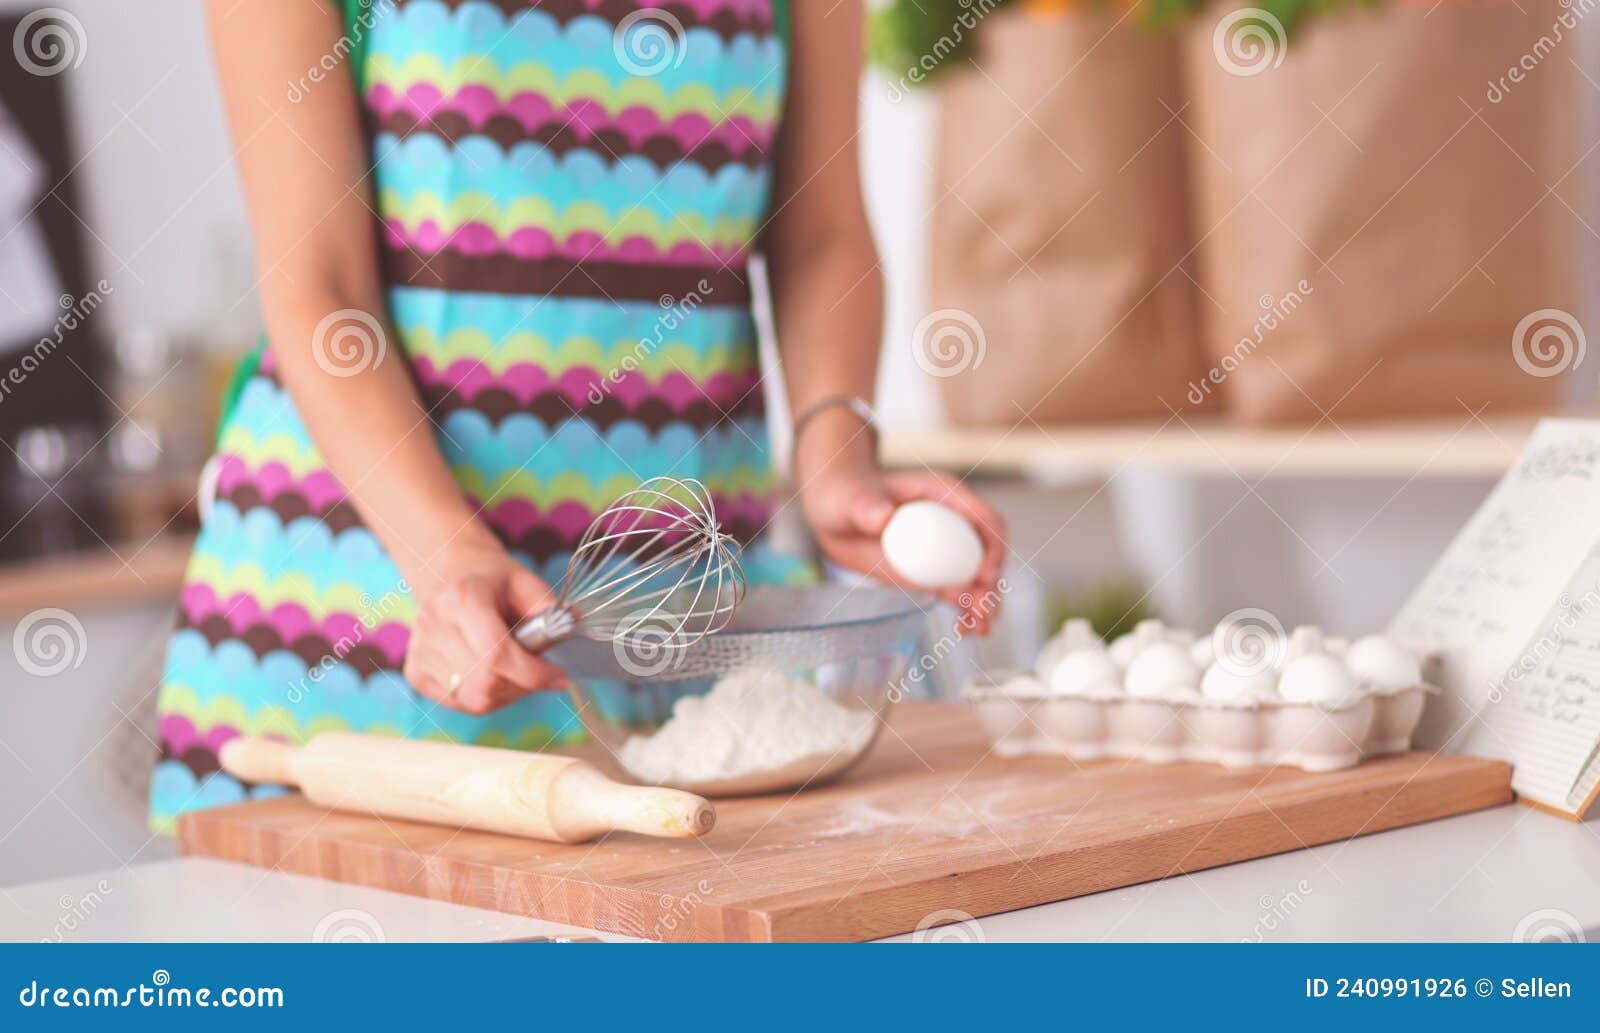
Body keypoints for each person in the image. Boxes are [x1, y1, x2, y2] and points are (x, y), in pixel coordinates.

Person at [150, 0, 1006, 831]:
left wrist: (836, 465)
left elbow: (820, 232)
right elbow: (320, 286)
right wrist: (446, 554)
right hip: (362, 618)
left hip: (678, 641)